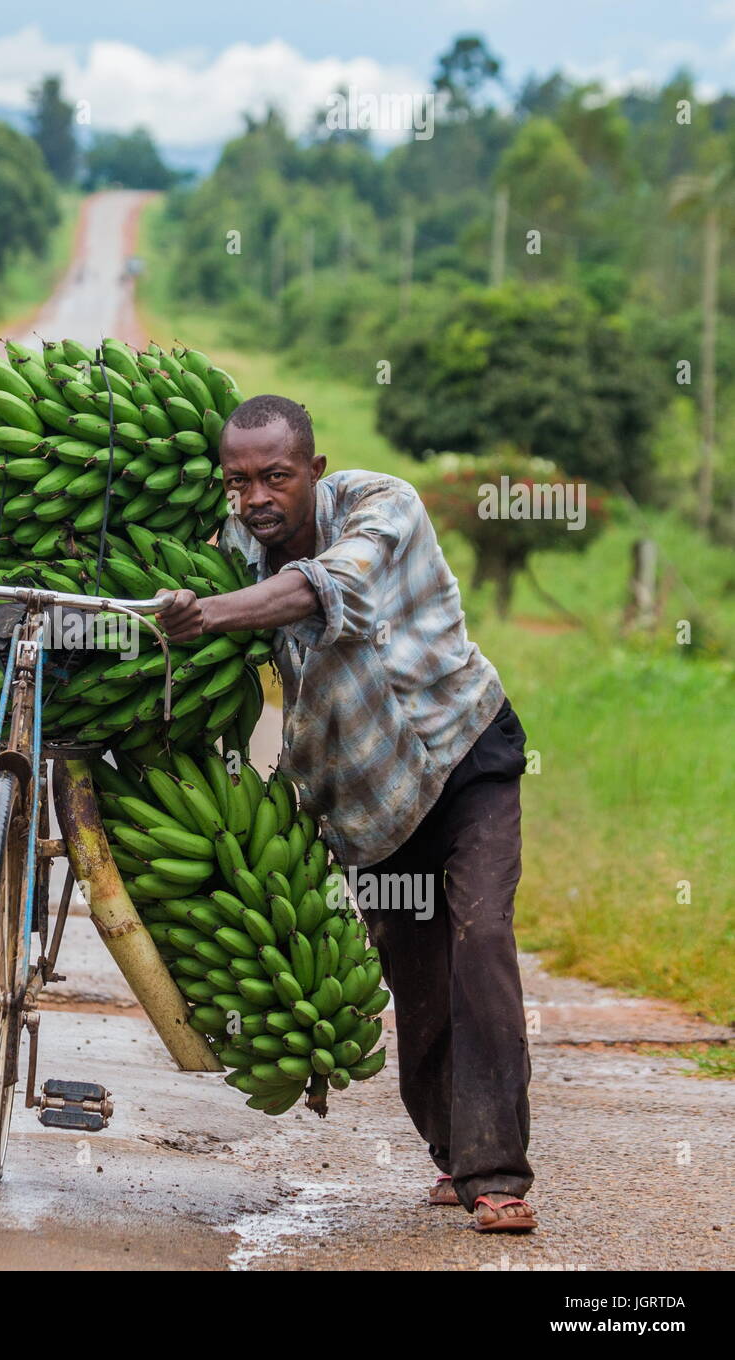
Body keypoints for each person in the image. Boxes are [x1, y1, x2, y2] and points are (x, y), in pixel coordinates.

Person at [156, 394, 536, 1234]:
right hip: (373, 807)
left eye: (276, 476)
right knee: (418, 984)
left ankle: (498, 1173)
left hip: (466, 758)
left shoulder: (381, 505)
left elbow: (329, 587)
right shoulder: (233, 555)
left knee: (480, 938)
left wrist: (207, 616)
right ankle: (453, 1154)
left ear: (314, 471)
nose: (257, 497)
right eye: (239, 481)